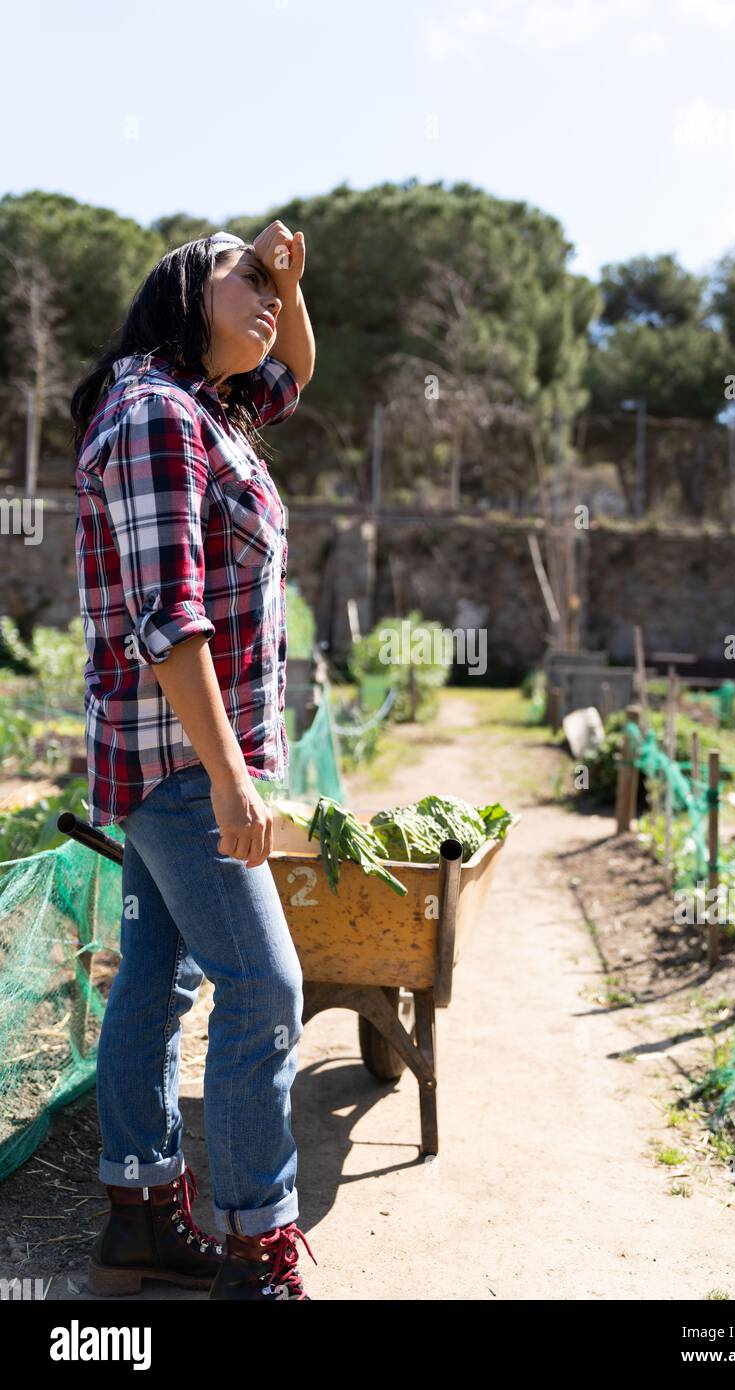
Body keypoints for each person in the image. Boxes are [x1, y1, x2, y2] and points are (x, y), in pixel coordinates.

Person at [69, 222, 318, 1301]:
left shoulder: (203, 406)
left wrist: (291, 285)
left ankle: (139, 1211)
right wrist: (229, 778)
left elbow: (295, 375)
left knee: (156, 988)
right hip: (182, 760)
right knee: (264, 988)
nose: (266, 298)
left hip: (168, 757)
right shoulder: (158, 417)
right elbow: (166, 620)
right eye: (245, 278)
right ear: (183, 289)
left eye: (273, 284)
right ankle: (259, 1254)